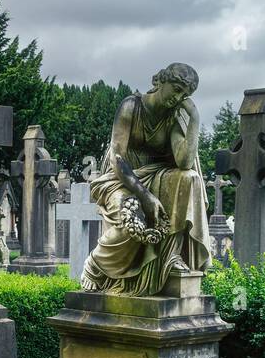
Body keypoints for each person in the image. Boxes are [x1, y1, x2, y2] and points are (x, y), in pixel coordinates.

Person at [81, 62, 211, 296]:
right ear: (161, 81)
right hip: (121, 179)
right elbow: (118, 158)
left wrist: (194, 118)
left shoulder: (174, 117)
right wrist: (145, 196)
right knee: (131, 218)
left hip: (158, 177)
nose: (178, 97)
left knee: (189, 179)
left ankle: (170, 257)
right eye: (176, 89)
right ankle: (95, 264)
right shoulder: (131, 106)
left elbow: (184, 162)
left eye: (184, 95)